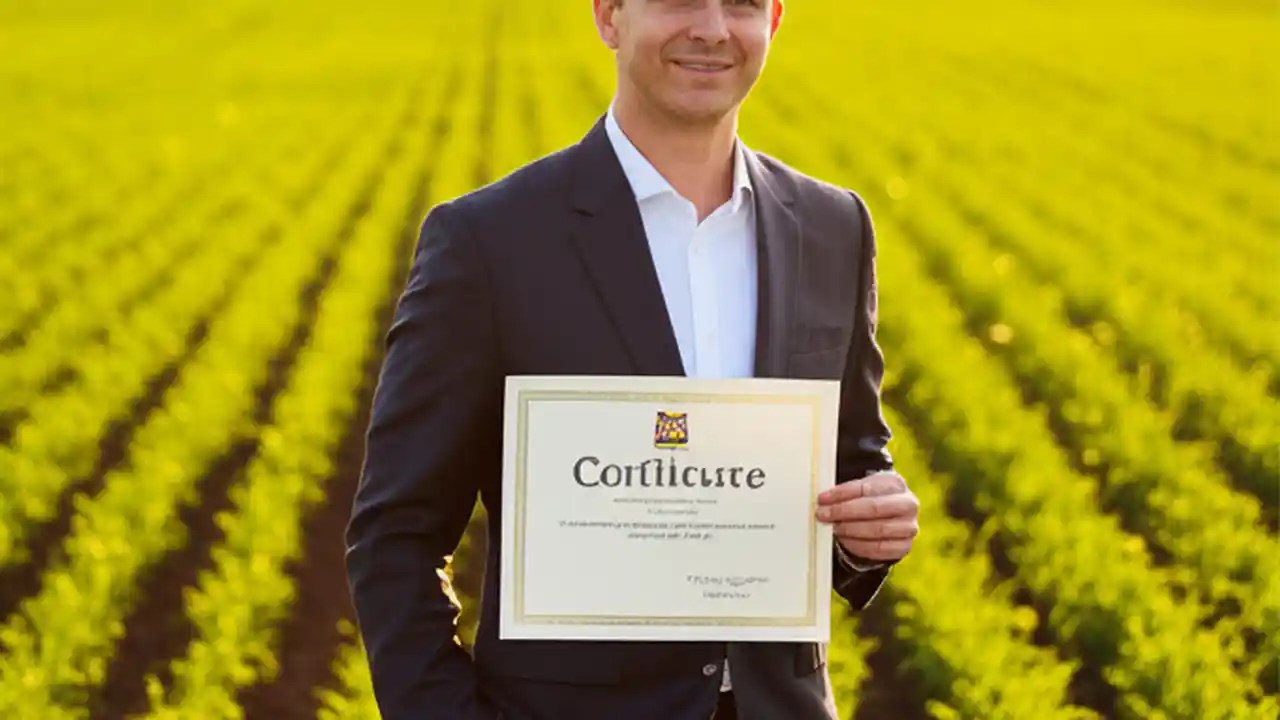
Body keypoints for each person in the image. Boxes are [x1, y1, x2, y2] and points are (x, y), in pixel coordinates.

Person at [344, 1, 921, 718]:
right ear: (610, 15)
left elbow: (852, 460)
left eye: (741, 3)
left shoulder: (835, 227)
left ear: (773, 20)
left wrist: (872, 528)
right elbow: (395, 537)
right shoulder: (489, 241)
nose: (712, 29)